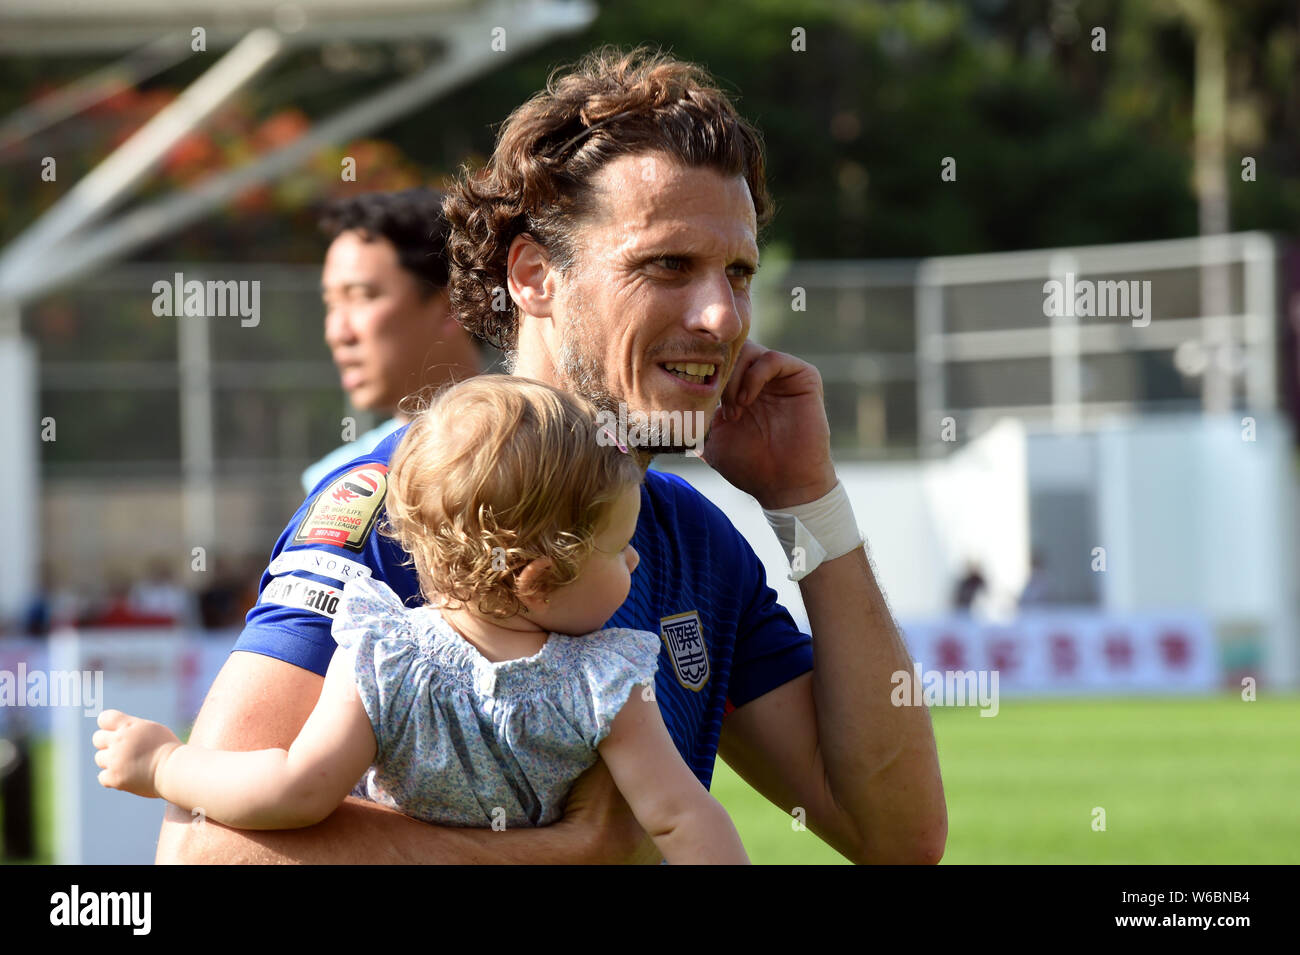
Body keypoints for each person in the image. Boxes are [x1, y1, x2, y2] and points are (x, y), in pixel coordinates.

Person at [157, 46, 946, 864]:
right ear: (535, 276)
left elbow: (896, 835)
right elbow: (206, 853)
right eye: (668, 265)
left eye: (738, 272)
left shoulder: (696, 540)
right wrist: (564, 852)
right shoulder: (399, 507)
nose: (722, 315)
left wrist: (809, 501)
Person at [97, 377, 748, 864]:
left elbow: (294, 787)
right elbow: (683, 817)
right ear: (539, 577)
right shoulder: (607, 679)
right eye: (618, 548)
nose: (636, 558)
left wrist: (164, 764)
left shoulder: (382, 656)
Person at [304, 188, 485, 493]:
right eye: (331, 304)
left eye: (361, 297)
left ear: (450, 307)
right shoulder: (335, 485)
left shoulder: (549, 454)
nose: (336, 332)